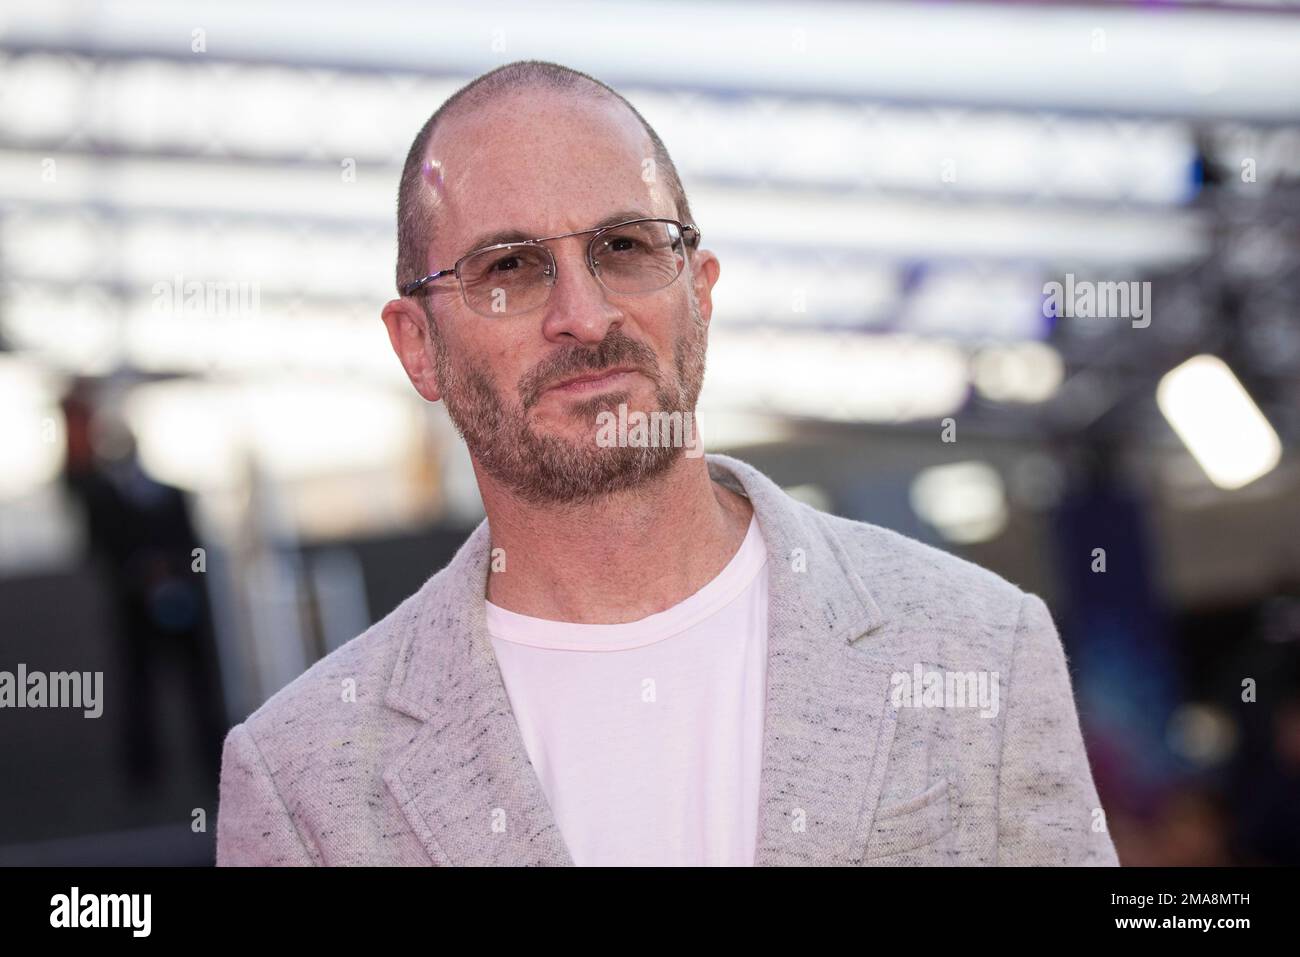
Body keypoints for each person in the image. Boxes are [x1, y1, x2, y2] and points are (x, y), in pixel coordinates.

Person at [216, 60, 1118, 866]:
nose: (585, 311)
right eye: (510, 266)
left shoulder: (981, 644)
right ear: (417, 347)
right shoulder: (302, 776)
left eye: (624, 246)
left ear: (701, 290)